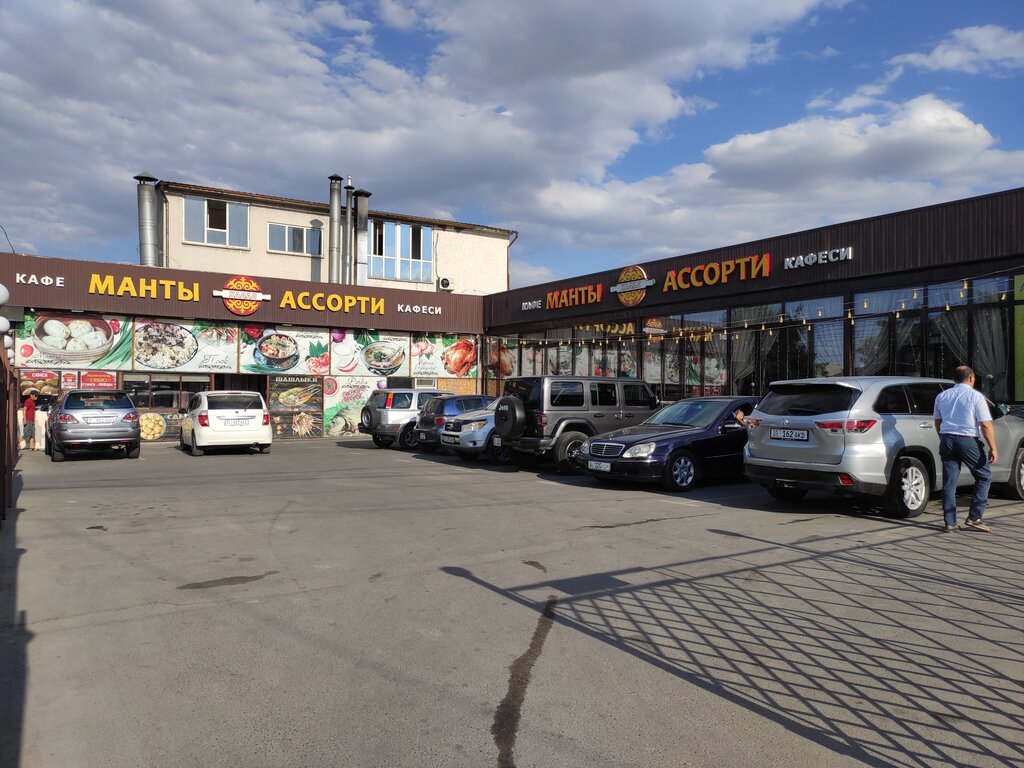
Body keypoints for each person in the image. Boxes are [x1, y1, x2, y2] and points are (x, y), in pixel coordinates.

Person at [933, 366, 997, 533]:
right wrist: (993, 448)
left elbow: (937, 422)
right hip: (967, 440)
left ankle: (950, 523)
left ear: (955, 379)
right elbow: (985, 424)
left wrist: (944, 438)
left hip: (947, 439)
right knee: (984, 476)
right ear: (971, 378)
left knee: (949, 482)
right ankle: (975, 517)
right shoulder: (976, 396)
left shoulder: (941, 396)